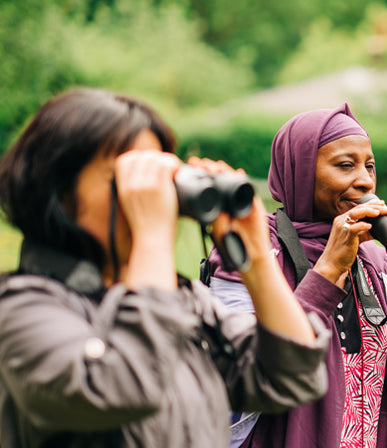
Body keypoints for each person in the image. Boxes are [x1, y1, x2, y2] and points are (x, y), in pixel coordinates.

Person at [0, 88, 330, 448]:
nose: (149, 194)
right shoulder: (20, 308)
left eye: (157, 179)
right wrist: (153, 237)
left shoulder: (184, 302)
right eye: (126, 177)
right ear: (57, 191)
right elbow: (123, 385)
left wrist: (256, 258)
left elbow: (293, 374)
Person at [204, 103, 387, 448]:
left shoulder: (380, 256)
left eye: (369, 166)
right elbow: (240, 386)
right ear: (300, 172)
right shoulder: (252, 251)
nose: (364, 180)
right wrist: (327, 271)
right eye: (345, 165)